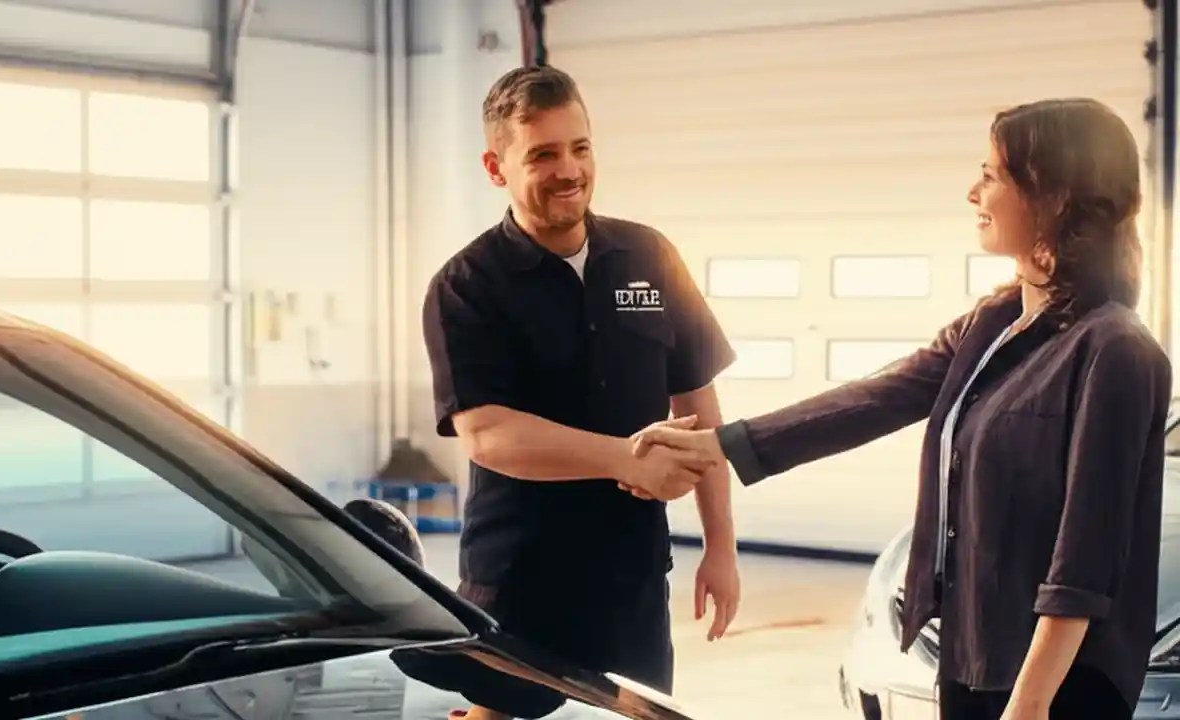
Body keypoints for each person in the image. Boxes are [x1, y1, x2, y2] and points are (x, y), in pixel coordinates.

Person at [628, 98, 1172, 720]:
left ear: (1054, 195)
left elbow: (1085, 560)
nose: (974, 192)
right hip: (974, 658)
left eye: (993, 174)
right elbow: (874, 398)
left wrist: (1031, 704)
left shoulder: (1116, 351)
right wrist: (721, 445)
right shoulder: (993, 323)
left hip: (1055, 684)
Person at [422, 65, 741, 719]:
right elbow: (487, 433)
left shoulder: (650, 256)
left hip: (633, 574)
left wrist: (721, 546)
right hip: (519, 578)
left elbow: (699, 408)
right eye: (542, 154)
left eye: (580, 147)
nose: (569, 170)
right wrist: (625, 458)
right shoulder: (468, 286)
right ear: (495, 167)